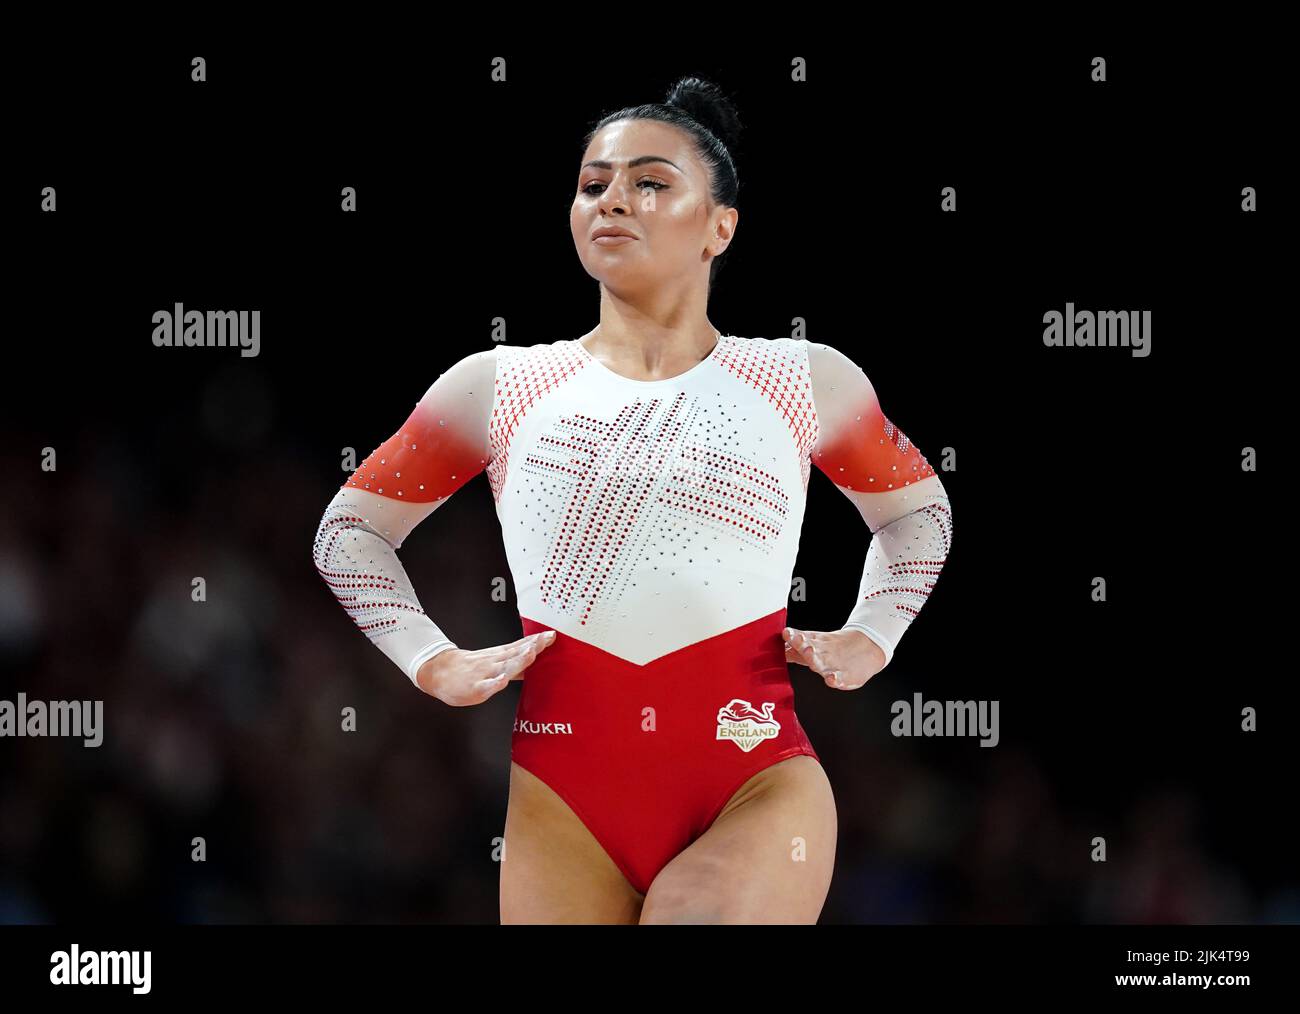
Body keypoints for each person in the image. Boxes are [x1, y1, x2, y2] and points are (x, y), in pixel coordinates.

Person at [312, 77, 953, 924]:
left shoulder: (800, 380)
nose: (614, 198)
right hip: (561, 809)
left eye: (651, 181)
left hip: (751, 785)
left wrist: (876, 633)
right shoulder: (499, 387)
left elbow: (917, 513)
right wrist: (430, 659)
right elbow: (349, 532)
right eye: (593, 184)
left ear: (720, 226)